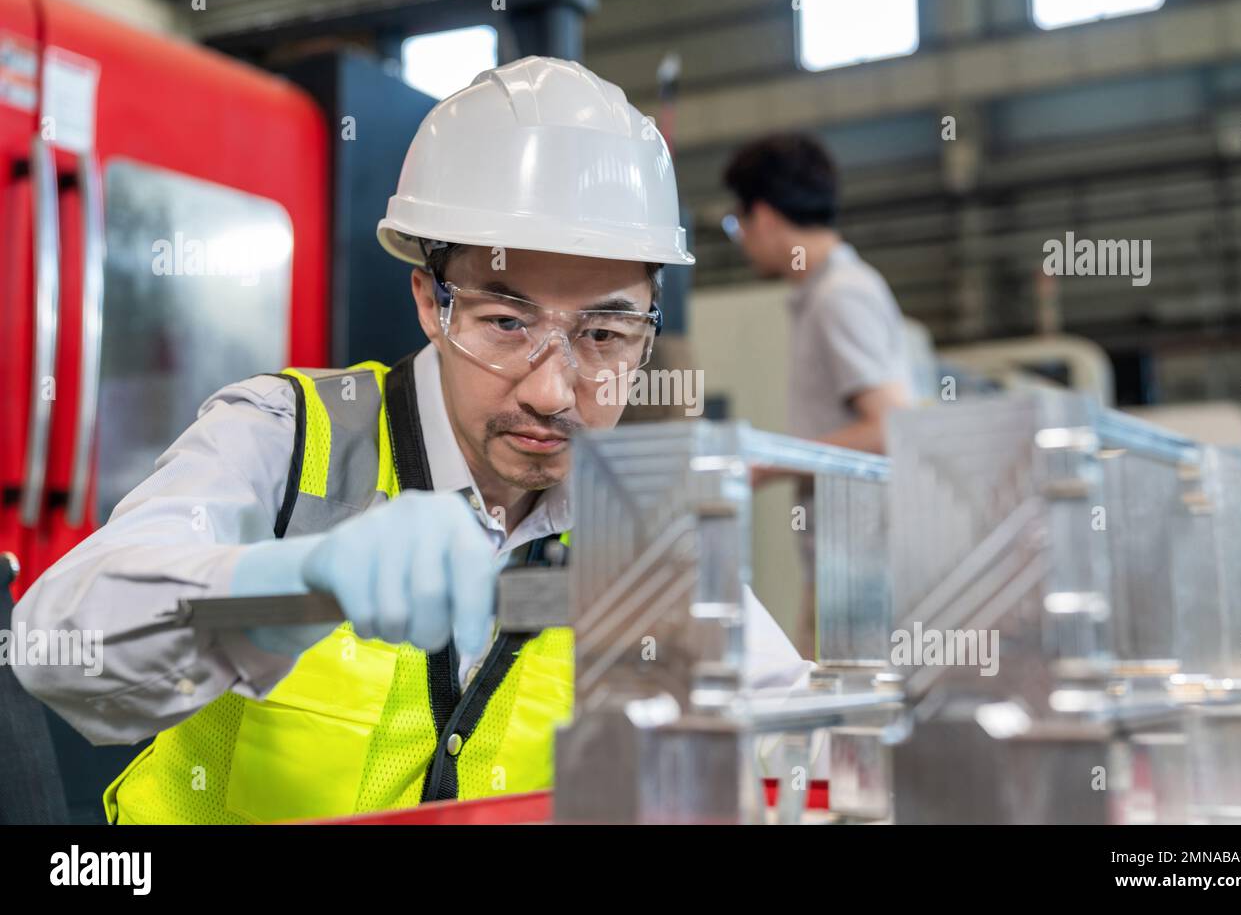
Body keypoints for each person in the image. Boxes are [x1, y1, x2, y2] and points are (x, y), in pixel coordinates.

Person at [13, 57, 810, 824]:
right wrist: (285, 588)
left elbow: (793, 729)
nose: (552, 391)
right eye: (506, 322)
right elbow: (55, 647)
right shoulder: (286, 441)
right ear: (432, 301)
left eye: (604, 333)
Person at [722, 133, 913, 656]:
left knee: (843, 724)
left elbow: (892, 428)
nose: (741, 239)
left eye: (736, 224)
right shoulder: (829, 292)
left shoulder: (840, 295)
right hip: (846, 564)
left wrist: (770, 462)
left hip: (859, 571)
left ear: (762, 215)